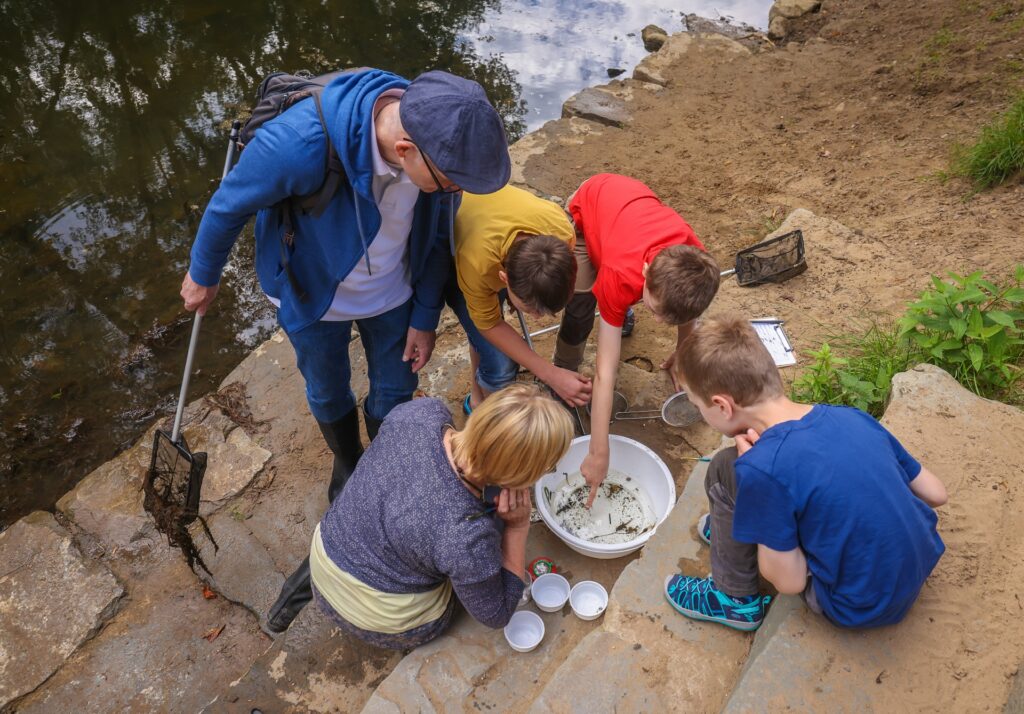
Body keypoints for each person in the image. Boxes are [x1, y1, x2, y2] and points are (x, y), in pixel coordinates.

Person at [180, 69, 510, 507]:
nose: (456, 190)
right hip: (310, 292)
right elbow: (227, 205)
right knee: (326, 387)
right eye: (451, 183)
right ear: (405, 150)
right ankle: (348, 460)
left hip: (393, 292)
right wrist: (204, 274)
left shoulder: (436, 138)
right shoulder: (297, 144)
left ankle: (383, 462)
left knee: (395, 389)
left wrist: (426, 315)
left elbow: (436, 239)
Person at [663, 318, 947, 631]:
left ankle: (733, 600)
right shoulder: (851, 417)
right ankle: (738, 535)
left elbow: (790, 582)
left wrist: (759, 482)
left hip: (856, 603)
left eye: (696, 405)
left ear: (722, 405)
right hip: (917, 567)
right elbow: (936, 494)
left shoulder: (762, 470)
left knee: (723, 469)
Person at [309, 384, 574, 649]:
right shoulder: (468, 534)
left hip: (324, 556)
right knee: (477, 559)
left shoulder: (422, 413)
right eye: (547, 467)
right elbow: (497, 614)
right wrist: (516, 528)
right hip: (380, 617)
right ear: (516, 477)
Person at [554, 173, 720, 506]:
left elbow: (689, 315)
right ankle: (564, 365)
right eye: (655, 311)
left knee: (620, 302)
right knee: (582, 301)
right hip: (590, 207)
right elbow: (605, 371)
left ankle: (620, 310)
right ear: (645, 273)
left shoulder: (696, 261)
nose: (656, 321)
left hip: (627, 217)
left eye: (662, 318)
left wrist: (682, 353)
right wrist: (599, 450)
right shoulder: (621, 274)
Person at [449, 184, 591, 413]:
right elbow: (488, 324)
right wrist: (550, 374)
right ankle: (484, 408)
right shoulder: (476, 264)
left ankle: (476, 398)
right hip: (460, 239)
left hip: (495, 220)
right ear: (504, 278)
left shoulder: (562, 231)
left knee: (482, 334)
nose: (536, 318)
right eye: (530, 309)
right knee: (500, 367)